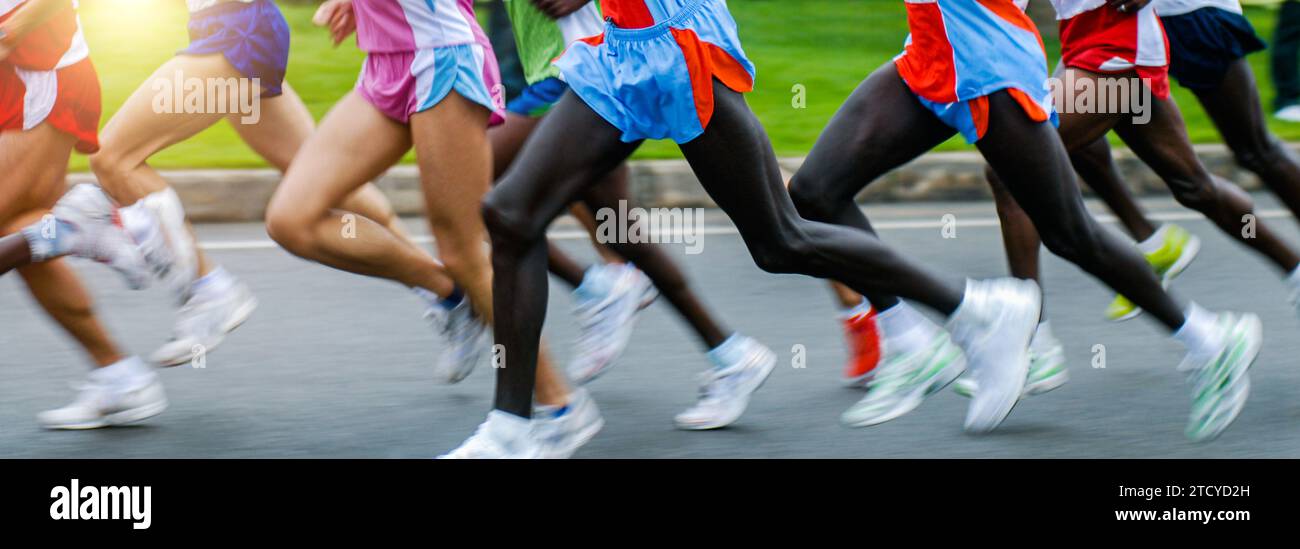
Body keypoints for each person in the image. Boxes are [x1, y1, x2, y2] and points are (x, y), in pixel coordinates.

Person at [449, 0, 1073, 459]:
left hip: (679, 38)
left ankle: (975, 306)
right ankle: (514, 426)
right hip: (622, 51)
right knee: (509, 214)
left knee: (781, 240)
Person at [785, 0, 1259, 442]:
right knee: (814, 192)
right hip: (932, 55)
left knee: (1070, 233)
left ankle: (1210, 339)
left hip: (991, 64)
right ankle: (909, 342)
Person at [495, 0, 776, 431]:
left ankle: (589, 302)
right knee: (618, 231)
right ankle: (728, 351)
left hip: (581, 71)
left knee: (498, 204)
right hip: (577, 70)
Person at [0, 0, 166, 428]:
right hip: (18, 77)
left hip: (38, 72)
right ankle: (119, 375)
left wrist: (12, 27)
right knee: (23, 236)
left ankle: (83, 225)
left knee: (21, 234)